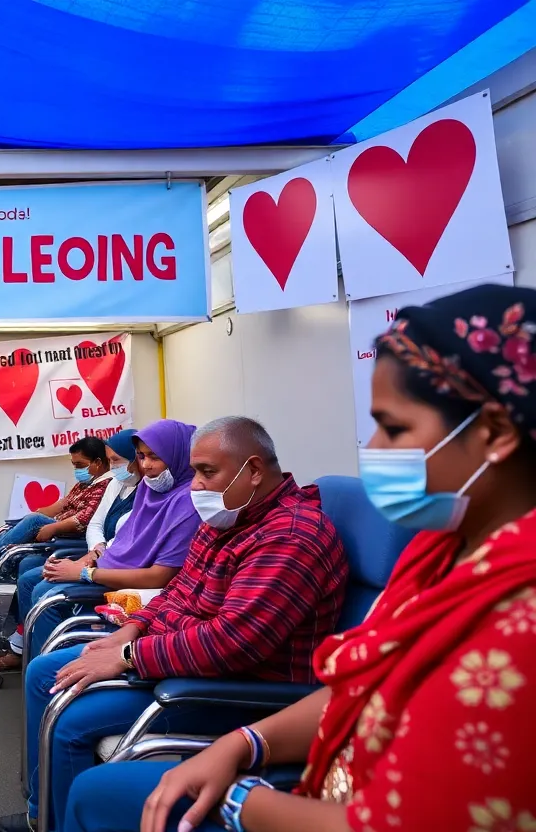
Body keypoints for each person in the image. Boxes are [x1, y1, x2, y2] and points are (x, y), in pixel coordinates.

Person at [61, 284, 536, 832]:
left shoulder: (517, 628)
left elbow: (236, 642)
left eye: (395, 428)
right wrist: (245, 745)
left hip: (258, 715)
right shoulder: (440, 551)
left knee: (95, 789)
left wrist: (241, 800)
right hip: (312, 756)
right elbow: (362, 685)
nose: (375, 451)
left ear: (494, 433)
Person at [0, 416, 348, 832]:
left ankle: (57, 822)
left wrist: (128, 655)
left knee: (72, 721)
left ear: (253, 470)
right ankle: (43, 814)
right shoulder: (231, 519)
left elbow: (231, 644)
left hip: (237, 689)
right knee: (45, 672)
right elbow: (178, 588)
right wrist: (131, 629)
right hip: (178, 658)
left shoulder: (291, 535)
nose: (195, 485)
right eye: (195, 471)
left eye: (207, 472)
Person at [18, 420, 199, 663]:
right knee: (38, 580)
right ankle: (40, 657)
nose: (146, 465)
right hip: (107, 565)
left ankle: (54, 664)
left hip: (135, 586)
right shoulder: (148, 490)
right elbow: (119, 538)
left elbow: (159, 577)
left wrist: (85, 573)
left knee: (45, 595)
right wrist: (92, 557)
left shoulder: (186, 503)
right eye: (142, 456)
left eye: (155, 457)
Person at [0, 429, 142, 673]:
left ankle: (39, 663)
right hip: (95, 553)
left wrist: (88, 561)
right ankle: (23, 648)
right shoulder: (115, 484)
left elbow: (116, 534)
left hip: (108, 563)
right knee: (27, 569)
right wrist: (96, 549)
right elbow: (96, 524)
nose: (113, 467)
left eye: (116, 460)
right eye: (111, 460)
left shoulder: (139, 490)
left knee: (38, 584)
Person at [0, 436, 113, 586]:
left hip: (73, 536)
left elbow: (83, 520)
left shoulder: (104, 485)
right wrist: (37, 515)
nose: (77, 470)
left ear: (98, 462)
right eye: (74, 465)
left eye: (80, 465)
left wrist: (50, 526)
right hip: (59, 527)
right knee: (19, 524)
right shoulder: (85, 484)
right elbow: (60, 505)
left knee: (34, 520)